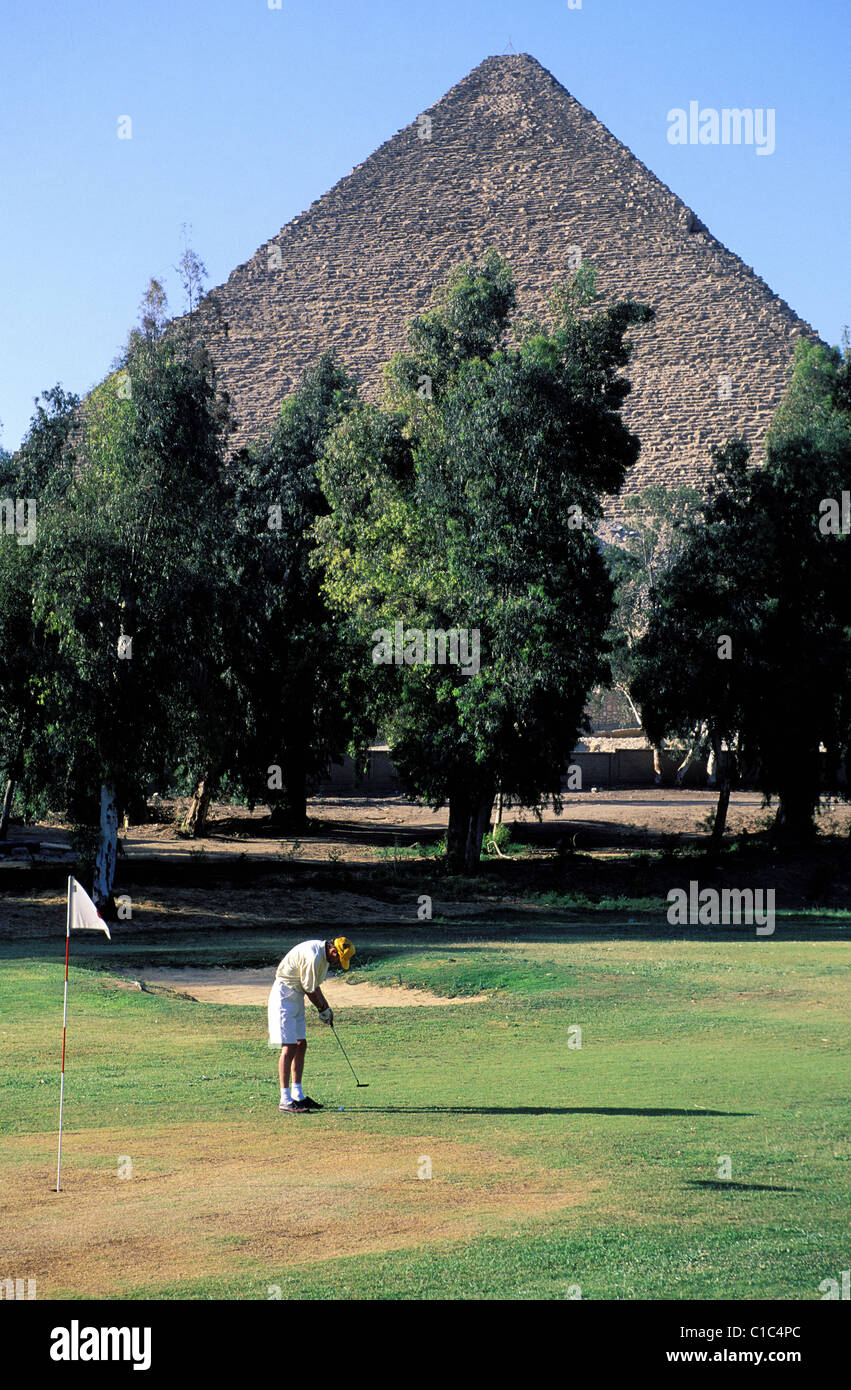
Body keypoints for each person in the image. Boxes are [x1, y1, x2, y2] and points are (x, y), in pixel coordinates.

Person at [267, 937, 355, 1114]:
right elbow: (310, 989)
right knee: (289, 1047)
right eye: (339, 959)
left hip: (296, 997)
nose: (339, 963)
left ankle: (298, 1095)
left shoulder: (324, 958)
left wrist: (327, 1008)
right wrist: (322, 1009)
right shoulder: (314, 956)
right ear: (333, 951)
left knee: (301, 1044)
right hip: (283, 996)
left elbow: (314, 986)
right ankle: (285, 1099)